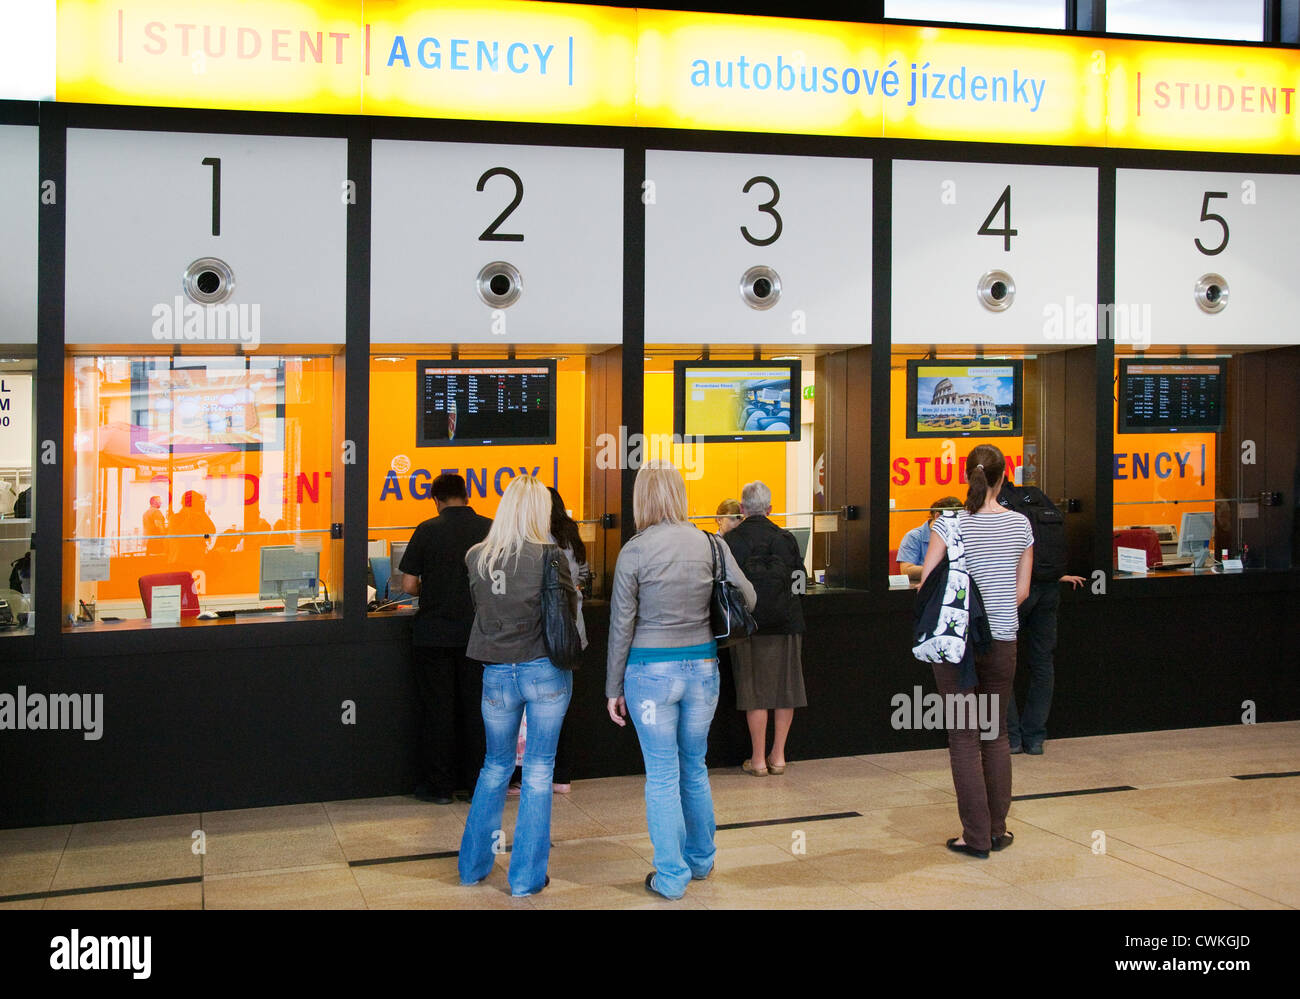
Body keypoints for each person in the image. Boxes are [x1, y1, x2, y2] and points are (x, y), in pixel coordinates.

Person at [606, 461, 756, 900]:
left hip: (650, 676)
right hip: (703, 672)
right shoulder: (711, 544)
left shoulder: (634, 550)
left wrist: (612, 688)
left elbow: (621, 626)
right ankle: (702, 859)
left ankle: (671, 876)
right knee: (695, 766)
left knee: (662, 775)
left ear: (642, 499)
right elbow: (748, 596)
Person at [458, 475, 577, 898]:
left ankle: (472, 867)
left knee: (494, 766)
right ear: (539, 510)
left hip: (496, 672)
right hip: (543, 669)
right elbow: (566, 611)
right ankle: (525, 878)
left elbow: (483, 611)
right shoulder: (551, 556)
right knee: (540, 771)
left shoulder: (476, 556)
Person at [920, 444, 1033, 859]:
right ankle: (998, 830)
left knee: (964, 737)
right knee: (995, 733)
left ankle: (976, 836)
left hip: (956, 645)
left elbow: (927, 583)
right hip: (1003, 640)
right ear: (1004, 477)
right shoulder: (1021, 525)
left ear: (966, 474)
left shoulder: (948, 525)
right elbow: (1021, 590)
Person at [398, 473, 492, 805]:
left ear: (436, 500)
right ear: (466, 496)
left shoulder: (427, 529)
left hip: (434, 636)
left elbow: (409, 586)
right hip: (478, 636)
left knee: (438, 711)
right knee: (476, 710)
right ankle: (475, 784)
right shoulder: (489, 528)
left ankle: (440, 788)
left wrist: (434, 588)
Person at [508, 486, 589, 797]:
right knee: (562, 707)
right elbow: (581, 575)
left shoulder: (533, 539)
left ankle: (522, 775)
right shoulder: (571, 535)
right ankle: (562, 776)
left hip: (540, 636)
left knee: (530, 710)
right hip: (571, 633)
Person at [722, 480, 806, 777]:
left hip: (749, 625)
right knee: (786, 689)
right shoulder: (786, 538)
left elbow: (724, 585)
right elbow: (800, 583)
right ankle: (779, 756)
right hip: (786, 623)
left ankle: (757, 759)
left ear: (742, 509)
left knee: (754, 691)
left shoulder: (731, 540)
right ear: (771, 509)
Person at [997, 480, 1086, 755]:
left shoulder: (992, 503)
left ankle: (1011, 737)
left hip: (1014, 590)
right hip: (1048, 587)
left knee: (1001, 661)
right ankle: (1035, 738)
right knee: (1042, 663)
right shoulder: (1035, 496)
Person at [897, 496, 963, 582]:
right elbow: (906, 570)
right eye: (953, 521)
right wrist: (944, 570)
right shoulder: (914, 537)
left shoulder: (958, 535)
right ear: (937, 516)